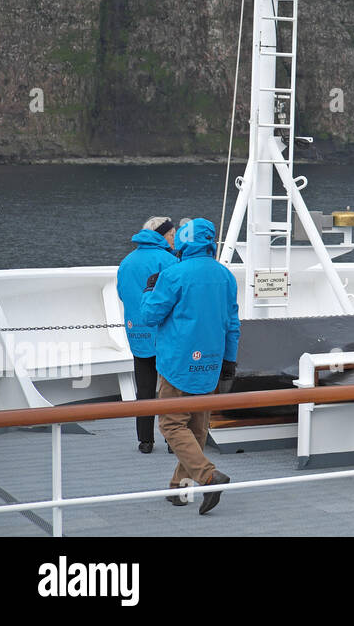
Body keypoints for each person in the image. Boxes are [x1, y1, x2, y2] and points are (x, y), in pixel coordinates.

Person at [140, 218, 239, 515]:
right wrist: (229, 362)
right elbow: (232, 324)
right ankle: (179, 490)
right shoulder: (226, 276)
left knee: (171, 424)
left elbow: (149, 316)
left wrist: (149, 290)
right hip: (211, 363)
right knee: (196, 428)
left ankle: (208, 476)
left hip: (178, 363)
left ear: (184, 241)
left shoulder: (173, 275)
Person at [116, 216, 178, 454]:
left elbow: (122, 294)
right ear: (162, 235)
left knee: (144, 387)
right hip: (165, 333)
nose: (174, 238)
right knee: (169, 388)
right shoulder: (169, 260)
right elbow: (174, 297)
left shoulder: (127, 262)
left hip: (138, 331)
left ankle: (145, 440)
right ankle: (173, 439)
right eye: (172, 234)